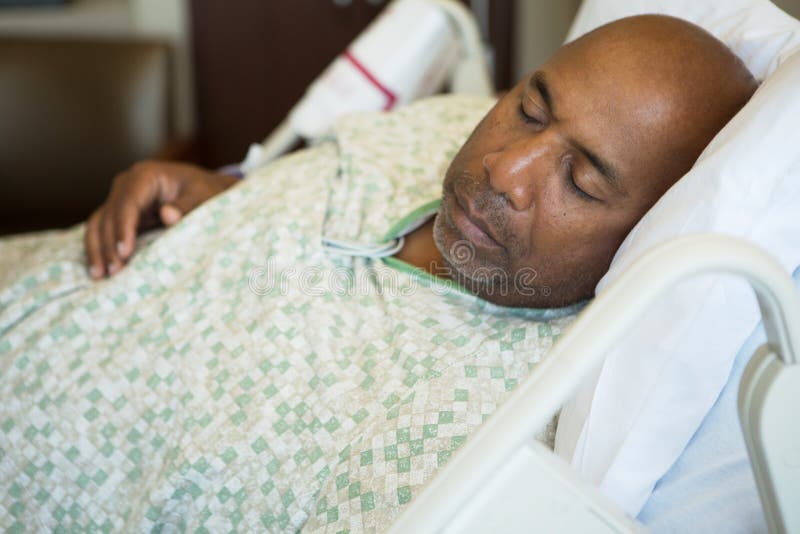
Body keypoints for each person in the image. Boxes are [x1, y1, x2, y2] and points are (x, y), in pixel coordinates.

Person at [0, 15, 757, 532]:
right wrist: (230, 186)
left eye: (583, 183)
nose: (503, 169)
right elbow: (313, 178)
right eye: (530, 108)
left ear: (645, 233)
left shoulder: (510, 427)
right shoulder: (437, 120)